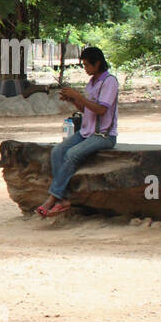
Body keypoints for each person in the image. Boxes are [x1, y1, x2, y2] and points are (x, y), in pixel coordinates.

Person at [37, 46, 119, 218]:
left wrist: (79, 97)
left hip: (103, 134)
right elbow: (85, 109)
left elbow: (101, 110)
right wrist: (74, 100)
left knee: (72, 154)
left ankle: (52, 198)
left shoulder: (109, 81)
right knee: (57, 151)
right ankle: (63, 199)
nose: (85, 69)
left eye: (87, 65)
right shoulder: (92, 82)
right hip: (86, 131)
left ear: (97, 64)